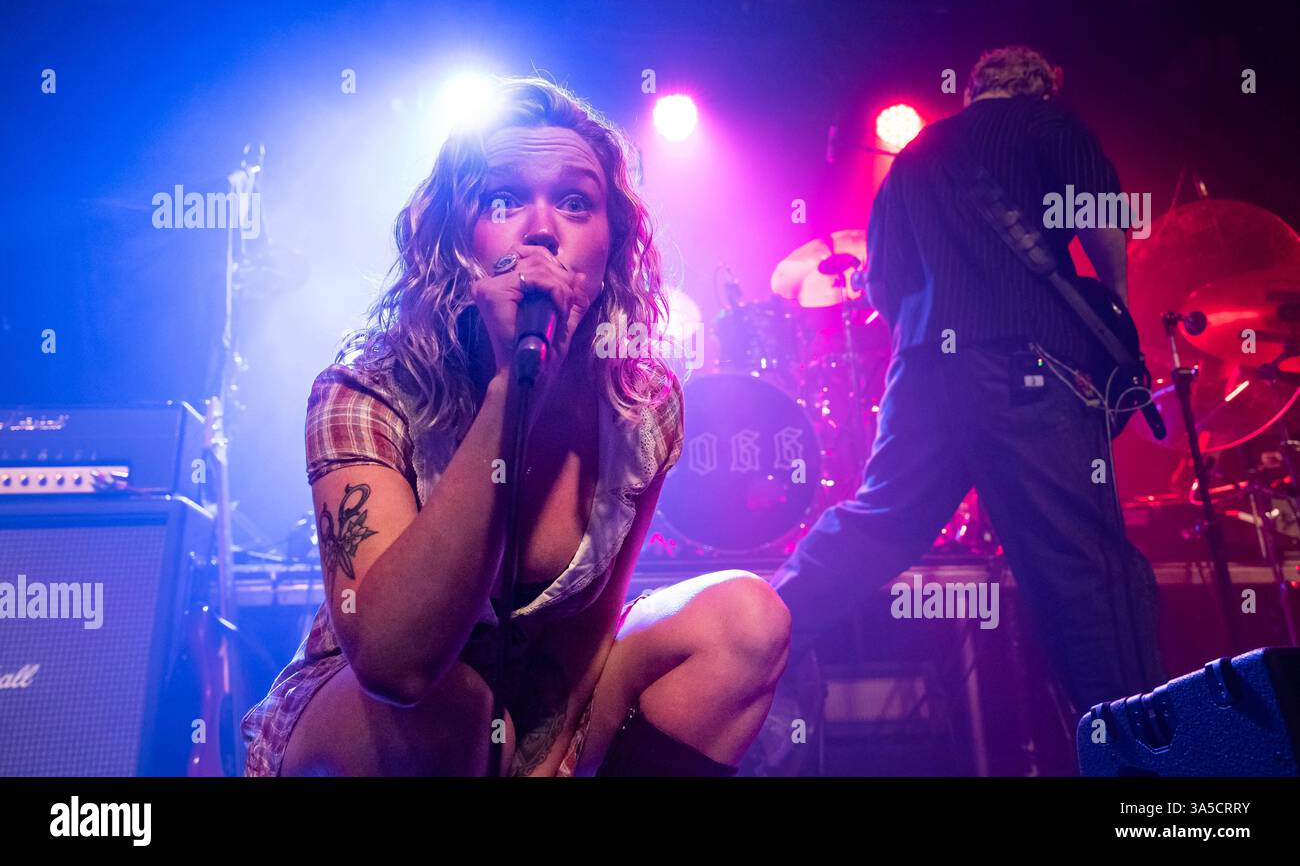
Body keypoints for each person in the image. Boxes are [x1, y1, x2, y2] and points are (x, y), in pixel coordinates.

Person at [241, 77, 790, 777]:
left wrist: (551, 754)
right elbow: (392, 663)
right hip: (376, 723)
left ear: (612, 243)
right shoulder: (366, 393)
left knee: (745, 620)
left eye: (574, 202)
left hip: (528, 718)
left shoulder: (642, 407)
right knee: (462, 711)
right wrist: (510, 393)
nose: (540, 226)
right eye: (503, 199)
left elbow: (591, 621)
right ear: (454, 238)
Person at [766, 46, 1167, 746]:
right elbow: (1104, 219)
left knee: (877, 524)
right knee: (1084, 565)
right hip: (1026, 365)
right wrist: (1119, 318)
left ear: (975, 89)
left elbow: (884, 288)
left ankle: (753, 635)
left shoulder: (913, 157)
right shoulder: (1050, 124)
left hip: (921, 373)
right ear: (1041, 87)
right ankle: (1147, 772)